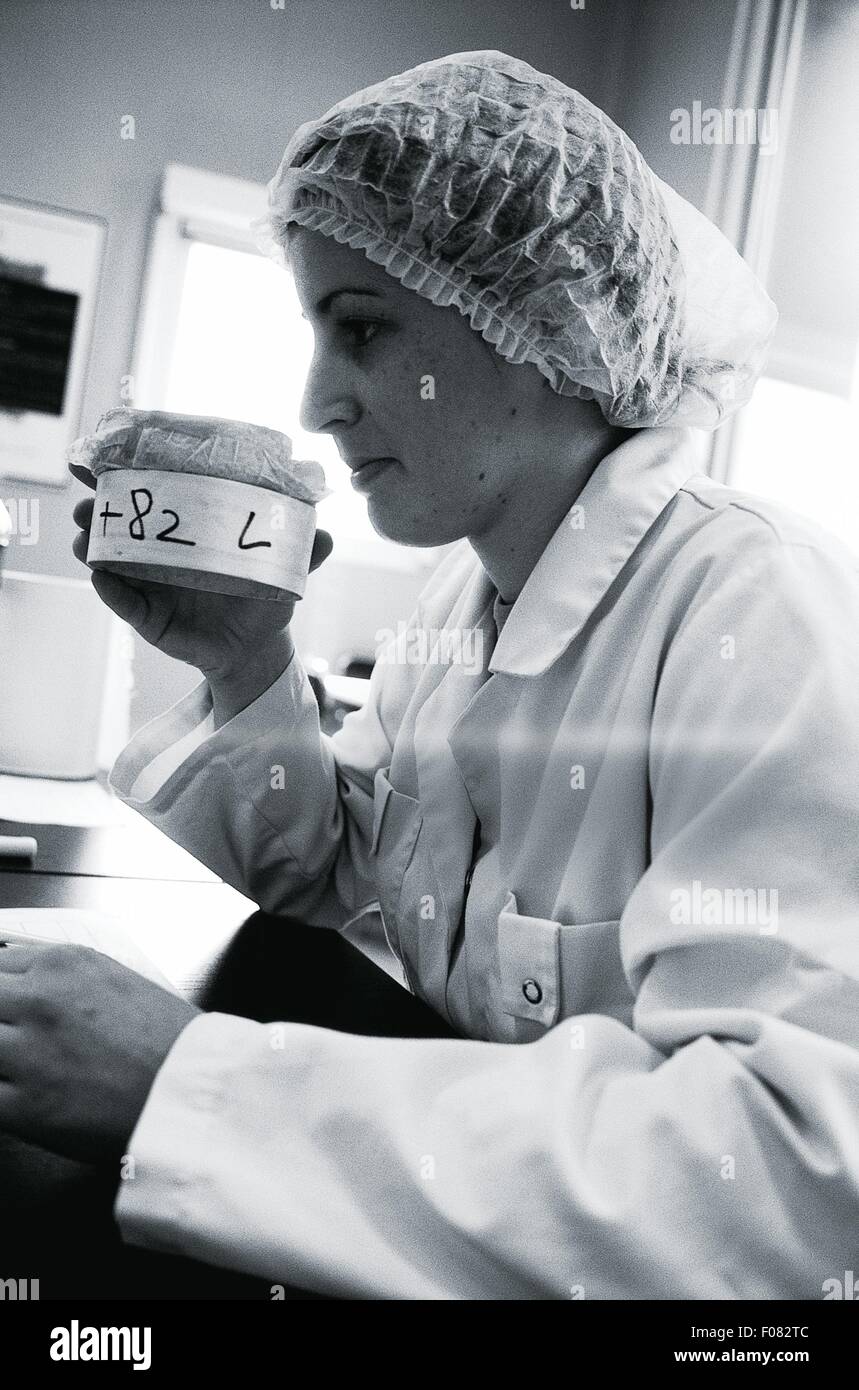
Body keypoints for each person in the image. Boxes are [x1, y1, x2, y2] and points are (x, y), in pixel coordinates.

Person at [3, 49, 859, 1299]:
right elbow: (335, 880)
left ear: (540, 315)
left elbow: (785, 1173)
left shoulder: (752, 609)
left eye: (361, 329)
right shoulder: (460, 609)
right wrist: (246, 660)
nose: (317, 403)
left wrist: (189, 1086)